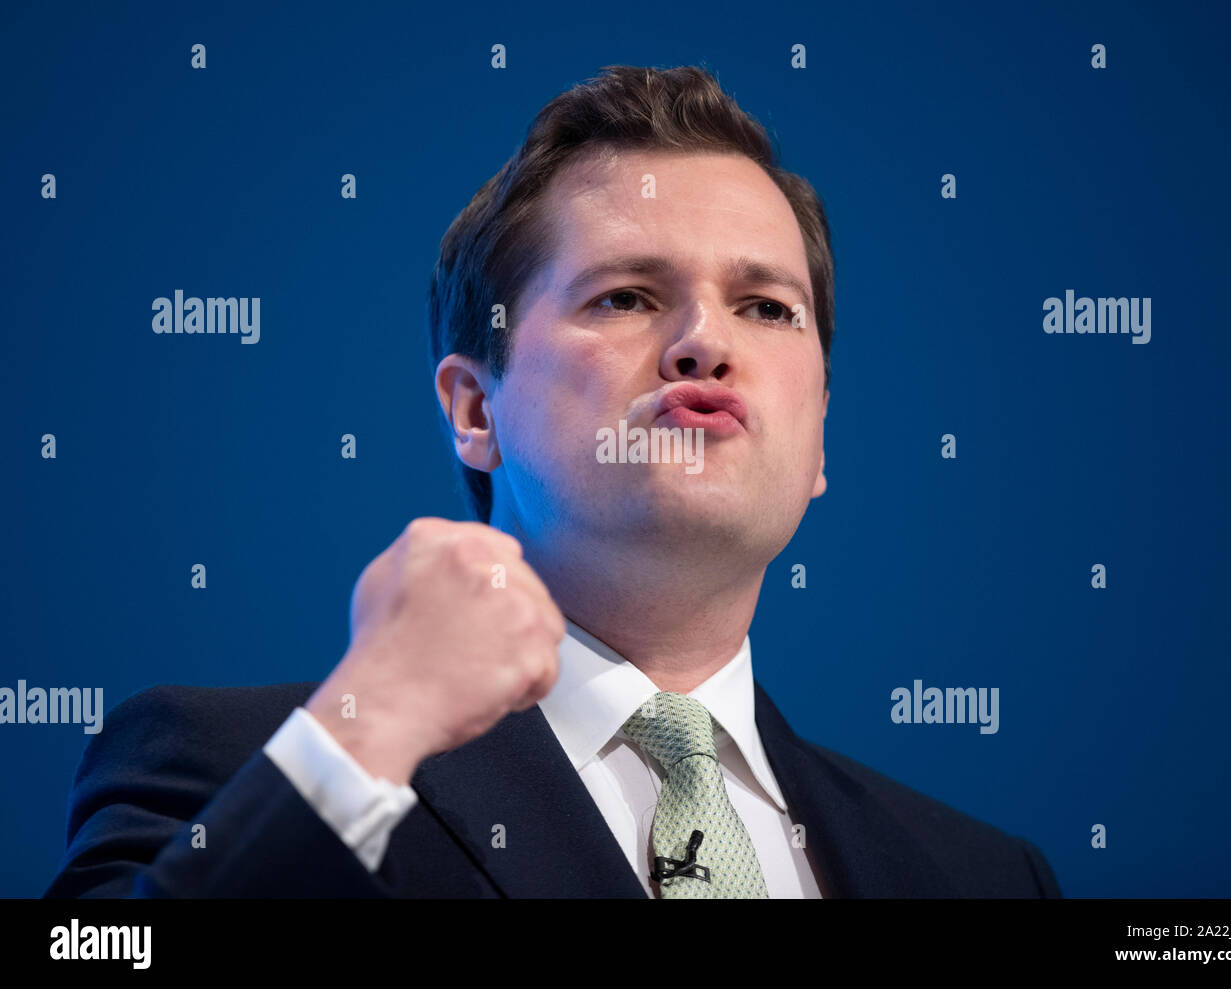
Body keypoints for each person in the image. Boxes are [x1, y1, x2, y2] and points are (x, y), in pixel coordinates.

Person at [46, 64, 1061, 899]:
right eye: (625, 295)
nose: (705, 342)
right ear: (475, 411)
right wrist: (370, 724)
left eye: (765, 307)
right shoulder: (234, 766)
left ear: (821, 437)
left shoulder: (982, 876)